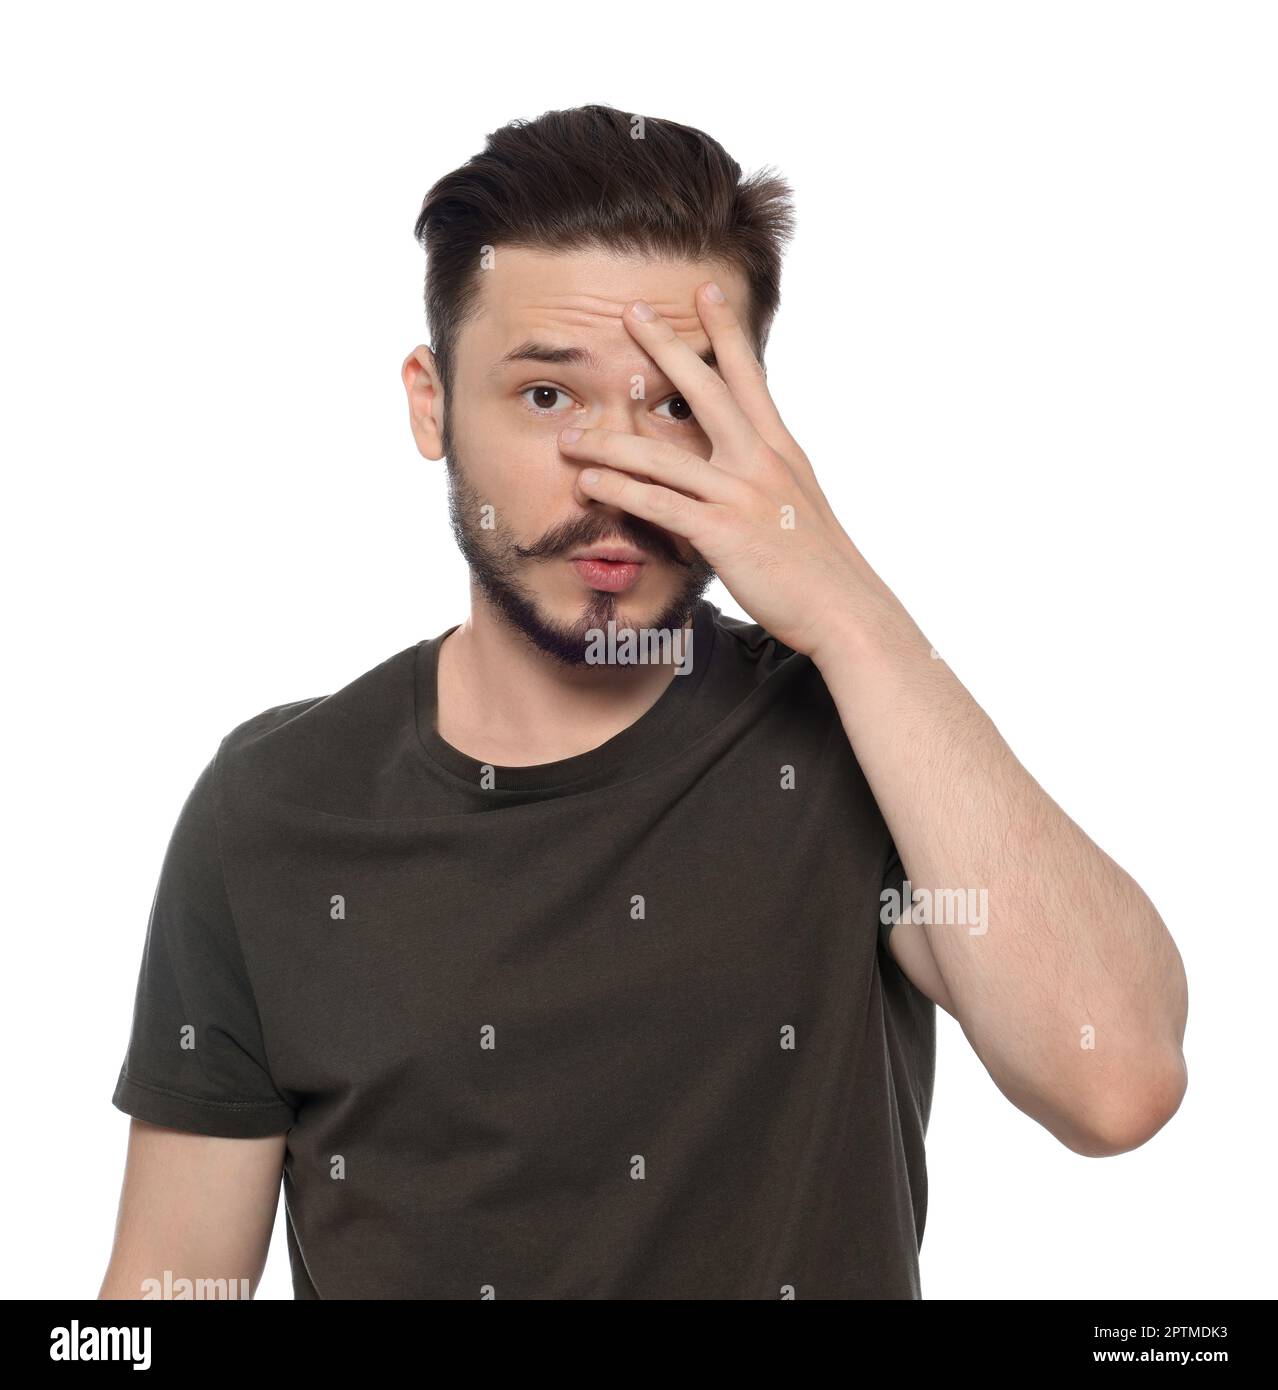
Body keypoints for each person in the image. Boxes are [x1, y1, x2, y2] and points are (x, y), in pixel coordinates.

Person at [101, 104, 1188, 1301]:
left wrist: (846, 604)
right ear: (432, 404)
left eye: (677, 401)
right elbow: (167, 1290)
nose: (617, 475)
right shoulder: (273, 807)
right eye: (548, 398)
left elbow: (1118, 1079)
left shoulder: (850, 741)